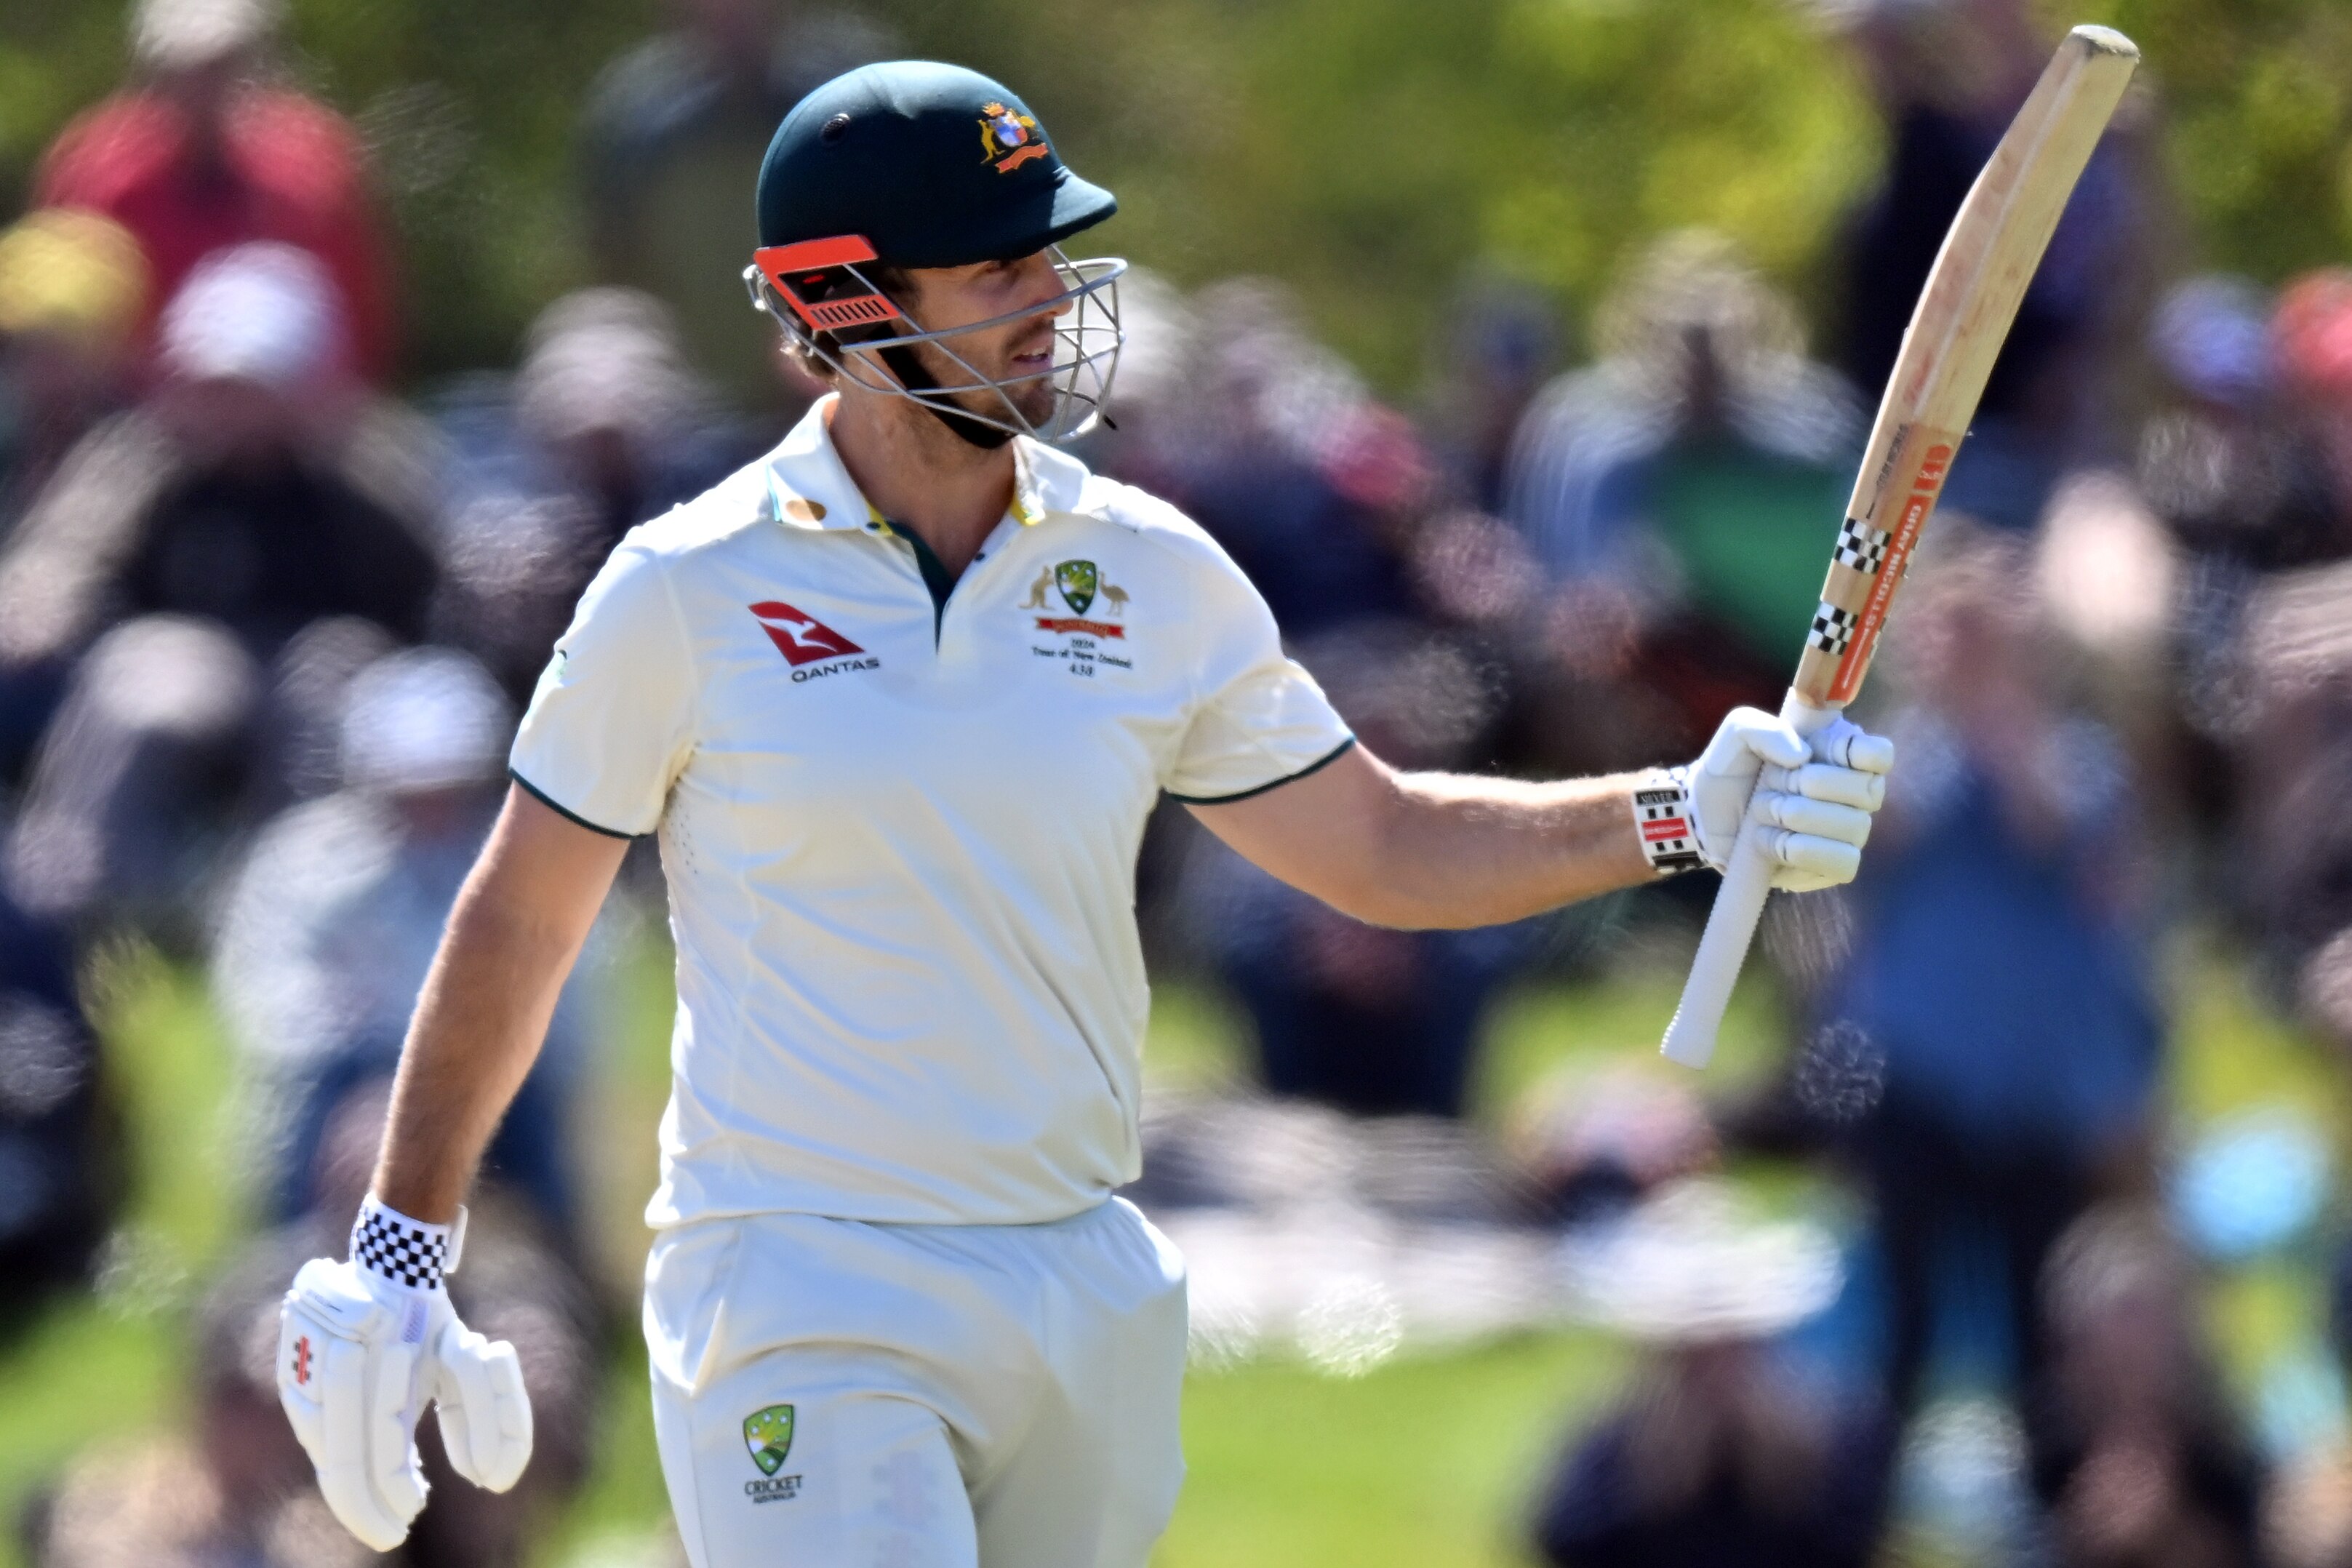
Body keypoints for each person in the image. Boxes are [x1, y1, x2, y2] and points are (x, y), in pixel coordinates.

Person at [274, 62, 1897, 1567]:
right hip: (801, 1276)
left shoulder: (1152, 570)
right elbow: (525, 912)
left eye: (1052, 264)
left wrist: (1686, 811)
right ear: (846, 303)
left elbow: (1382, 844)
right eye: (999, 273)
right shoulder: (686, 590)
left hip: (1074, 1275)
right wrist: (402, 1251)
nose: (1054, 304)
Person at [34, 0, 396, 382]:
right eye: (184, 70)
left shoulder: (312, 168)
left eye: (223, 65)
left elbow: (360, 324)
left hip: (290, 402)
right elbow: (57, 328)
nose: (205, 88)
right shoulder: (97, 176)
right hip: (132, 404)